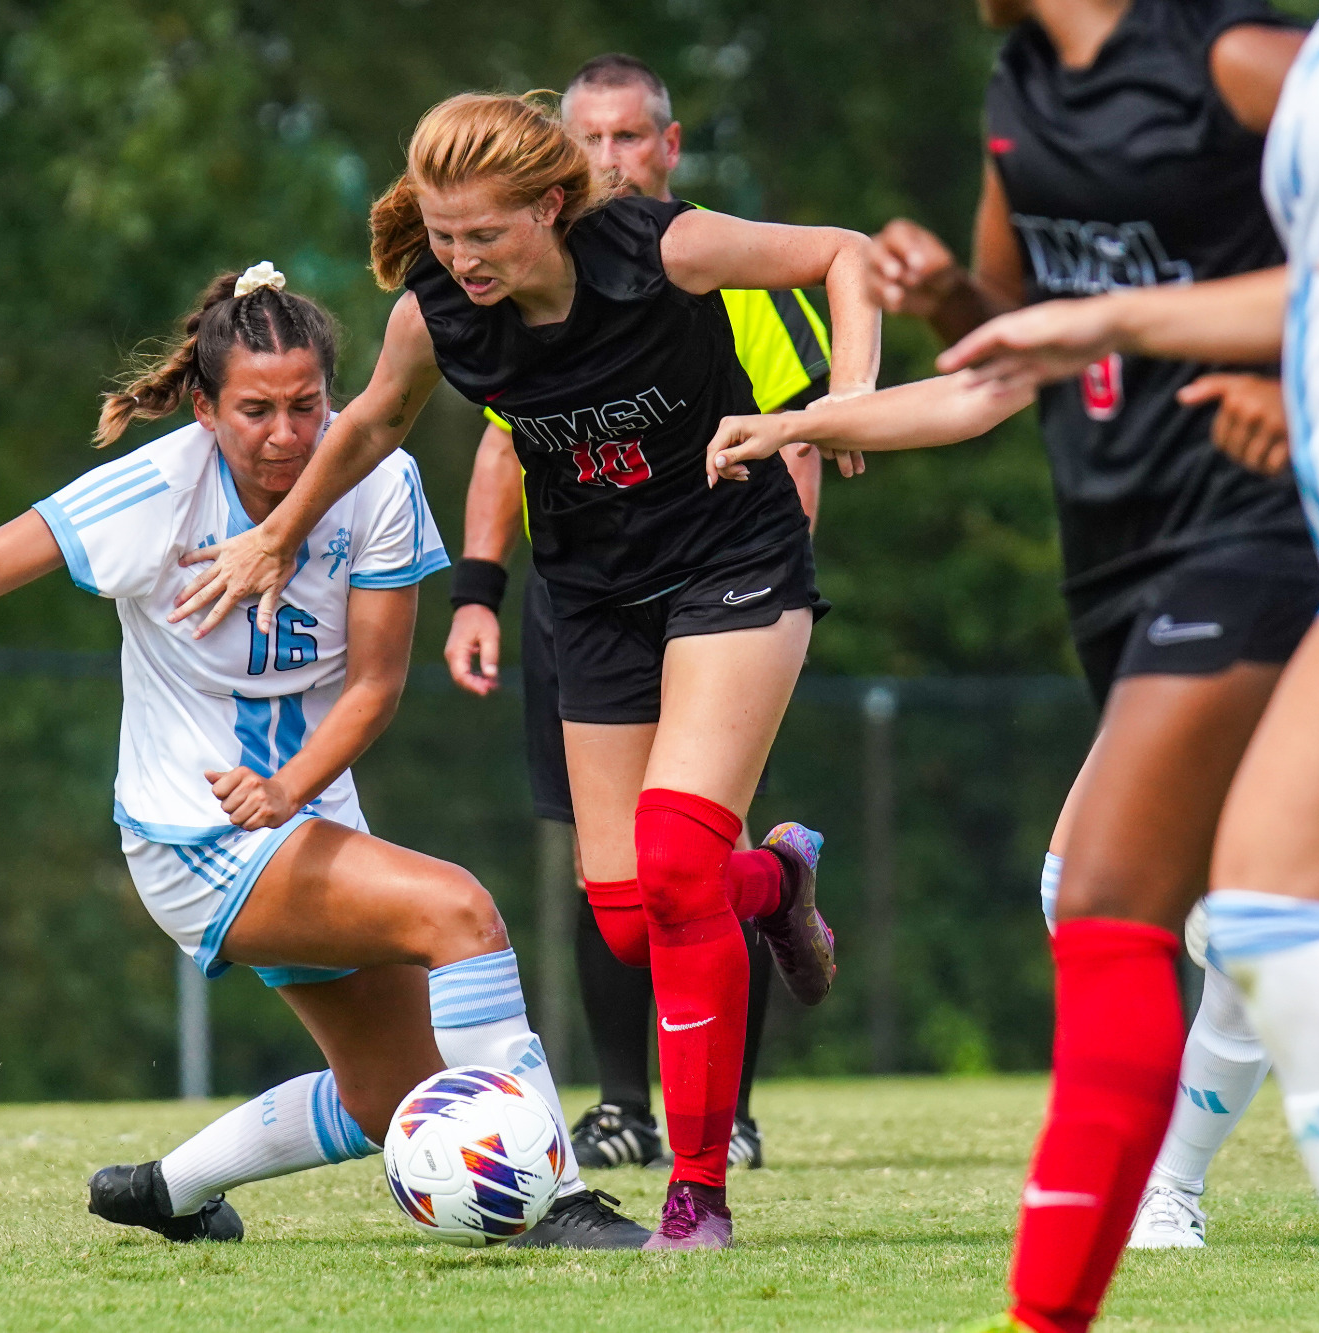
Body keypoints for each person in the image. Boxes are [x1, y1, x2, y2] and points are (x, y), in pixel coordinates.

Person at [710, 0, 1319, 1325]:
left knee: (1175, 898)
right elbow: (1091, 332)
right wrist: (993, 337)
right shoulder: (1061, 89)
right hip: (1286, 547)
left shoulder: (1293, 55)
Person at [0, 264, 650, 1249]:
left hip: (300, 814)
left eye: (308, 406)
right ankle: (561, 1201)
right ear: (202, 406)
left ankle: (165, 1188)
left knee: (389, 1096)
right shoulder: (155, 491)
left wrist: (290, 788)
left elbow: (372, 689)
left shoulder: (381, 479)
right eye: (254, 410)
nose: (284, 434)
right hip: (193, 839)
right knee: (462, 910)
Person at [160, 91, 930, 1249]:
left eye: (484, 235)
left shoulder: (656, 247)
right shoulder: (437, 311)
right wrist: (278, 533)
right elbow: (370, 421)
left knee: (674, 866)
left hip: (733, 561)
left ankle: (696, 1194)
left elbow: (843, 254)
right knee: (626, 920)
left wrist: (850, 397)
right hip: (592, 599)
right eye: (442, 233)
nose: (460, 259)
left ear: (553, 206)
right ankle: (772, 883)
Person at [442, 52, 833, 1174]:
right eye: (590, 138)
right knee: (612, 888)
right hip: (581, 589)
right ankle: (621, 1102)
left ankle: (721, 1127)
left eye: (628, 138)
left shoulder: (696, 259)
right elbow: (501, 442)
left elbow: (794, 430)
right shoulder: (505, 284)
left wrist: (768, 576)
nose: (610, 157)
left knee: (679, 852)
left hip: (717, 583)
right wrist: (477, 589)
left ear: (665, 147)